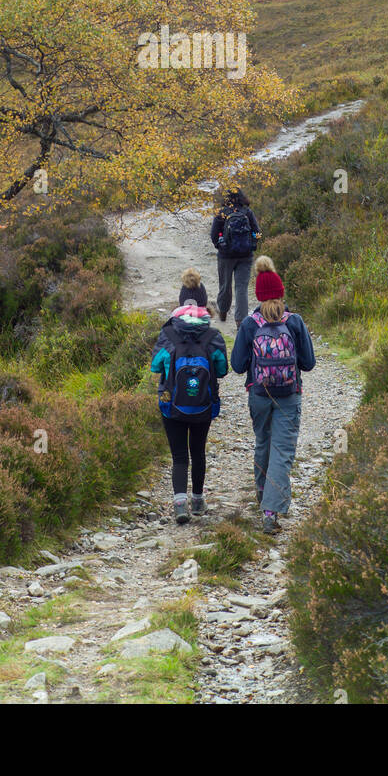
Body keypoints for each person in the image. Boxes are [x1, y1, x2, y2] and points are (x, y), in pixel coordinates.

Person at [231, 255, 315, 535]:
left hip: (259, 394)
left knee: (263, 442)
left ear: (258, 294)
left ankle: (261, 492)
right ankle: (271, 510)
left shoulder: (249, 324)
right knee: (282, 451)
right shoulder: (295, 322)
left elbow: (237, 365)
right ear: (280, 293)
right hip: (289, 394)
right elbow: (309, 363)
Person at [151, 300, 228, 523]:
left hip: (171, 405)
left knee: (179, 456)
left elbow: (156, 366)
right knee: (198, 451)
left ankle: (179, 504)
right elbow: (222, 369)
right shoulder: (213, 337)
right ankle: (197, 500)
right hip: (203, 406)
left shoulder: (167, 335)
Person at [210, 188, 261, 328]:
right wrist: (253, 244)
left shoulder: (222, 213)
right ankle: (241, 321)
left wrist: (219, 246)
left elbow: (213, 234)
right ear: (241, 197)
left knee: (225, 285)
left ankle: (223, 311)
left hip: (226, 256)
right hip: (246, 256)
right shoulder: (247, 212)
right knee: (242, 288)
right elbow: (257, 232)